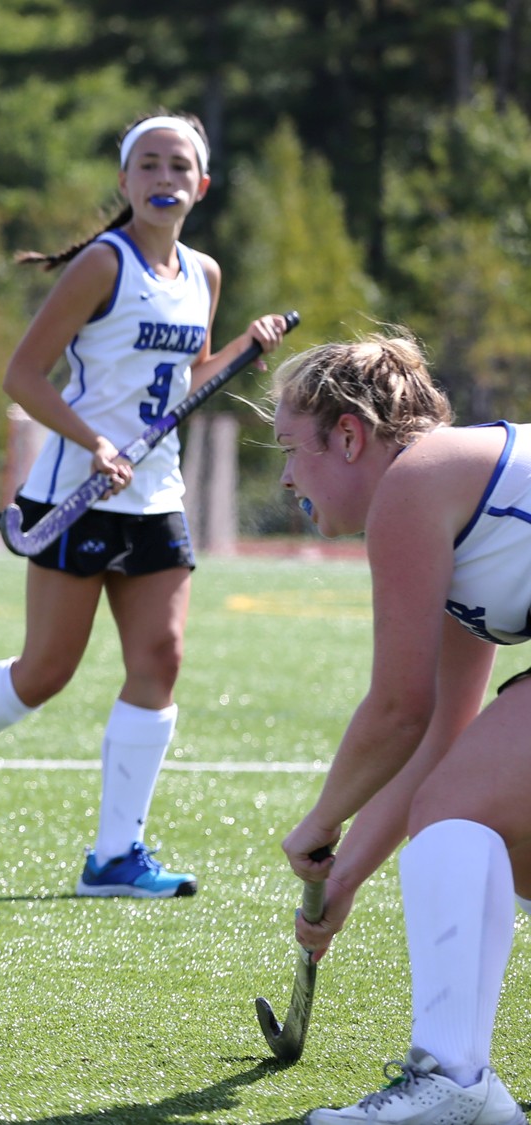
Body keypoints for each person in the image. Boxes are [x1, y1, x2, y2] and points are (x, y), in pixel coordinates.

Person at [0, 111, 291, 897]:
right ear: (125, 182)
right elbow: (23, 375)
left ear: (202, 185)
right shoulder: (102, 265)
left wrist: (241, 353)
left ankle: (114, 856)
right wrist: (95, 444)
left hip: (157, 494)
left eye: (179, 167)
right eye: (149, 166)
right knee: (45, 671)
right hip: (78, 492)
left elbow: (187, 383)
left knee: (161, 660)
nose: (164, 180)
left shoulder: (205, 274)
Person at [270, 333, 528, 1124]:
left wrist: (319, 821)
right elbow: (440, 733)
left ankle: (453, 1083)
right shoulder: (459, 505)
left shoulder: (412, 486)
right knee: (502, 844)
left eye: (289, 448)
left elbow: (395, 709)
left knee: (461, 818)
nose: (284, 477)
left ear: (348, 436)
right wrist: (343, 874)